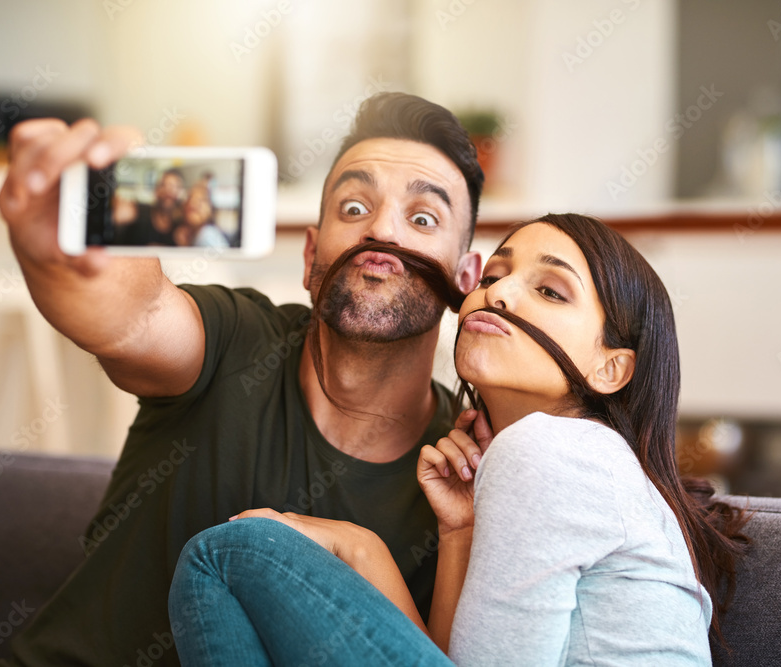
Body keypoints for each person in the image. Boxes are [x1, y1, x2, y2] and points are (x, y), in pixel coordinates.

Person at [0, 92, 484, 666]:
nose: (382, 231)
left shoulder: (464, 479)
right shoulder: (236, 340)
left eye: (423, 218)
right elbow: (138, 315)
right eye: (354, 208)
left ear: (466, 279)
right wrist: (62, 256)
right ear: (310, 256)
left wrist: (363, 551)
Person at [166, 214, 751, 665]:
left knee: (226, 555)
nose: (497, 295)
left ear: (611, 369)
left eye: (550, 291)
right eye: (495, 275)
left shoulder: (555, 450)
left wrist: (362, 550)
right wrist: (460, 532)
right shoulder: (561, 459)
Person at [114, 167, 185, 246]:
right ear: (156, 190)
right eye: (163, 185)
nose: (169, 191)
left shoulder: (182, 227)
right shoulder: (139, 211)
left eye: (175, 187)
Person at [173, 183, 229, 248]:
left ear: (210, 211)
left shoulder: (207, 235)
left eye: (202, 200)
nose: (193, 203)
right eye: (190, 198)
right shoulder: (193, 235)